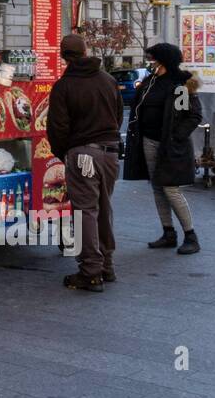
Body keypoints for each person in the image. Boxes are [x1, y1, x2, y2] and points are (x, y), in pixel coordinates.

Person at [47, 33, 124, 293]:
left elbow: (57, 128)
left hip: (82, 154)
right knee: (104, 208)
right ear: (86, 51)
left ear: (63, 56)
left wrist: (66, 154)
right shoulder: (109, 80)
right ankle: (106, 265)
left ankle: (90, 271)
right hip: (110, 152)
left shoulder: (64, 86)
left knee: (85, 212)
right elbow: (118, 116)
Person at [123, 42, 202, 255]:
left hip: (170, 144)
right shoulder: (151, 81)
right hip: (149, 141)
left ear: (164, 60)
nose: (151, 63)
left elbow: (191, 116)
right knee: (158, 187)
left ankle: (190, 235)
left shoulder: (179, 85)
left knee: (170, 188)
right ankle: (168, 232)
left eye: (154, 59)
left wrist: (176, 137)